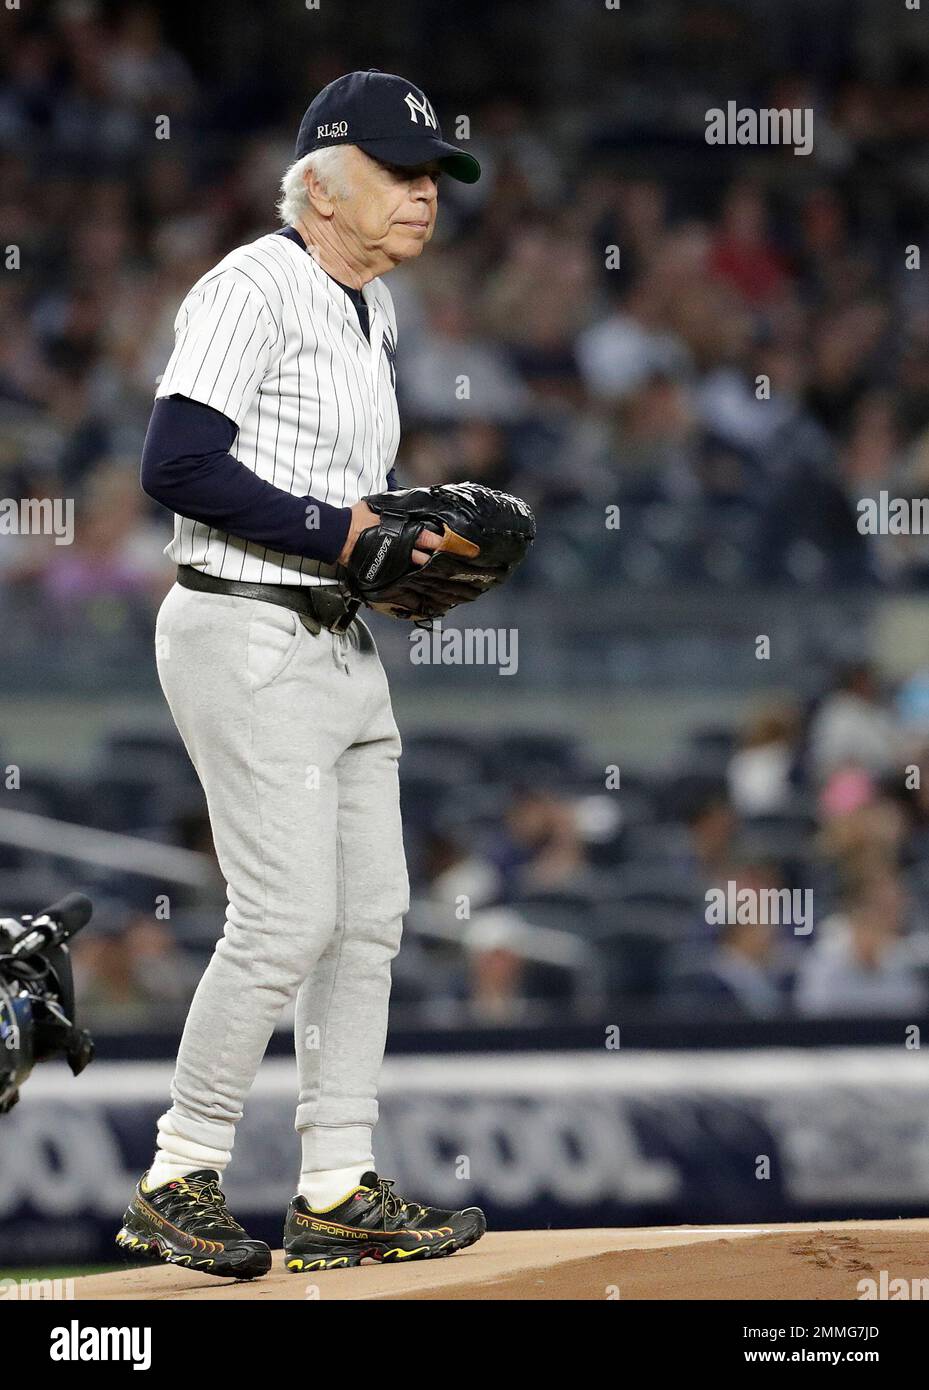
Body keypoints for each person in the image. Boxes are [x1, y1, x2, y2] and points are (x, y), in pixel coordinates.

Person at [117, 72, 486, 1278]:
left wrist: (392, 549)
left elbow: (340, 503)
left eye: (433, 174)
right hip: (238, 624)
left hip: (334, 635)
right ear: (321, 182)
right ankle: (181, 1172)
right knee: (286, 918)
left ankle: (333, 1186)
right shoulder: (252, 284)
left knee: (368, 921)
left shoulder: (373, 310)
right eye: (399, 170)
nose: (424, 193)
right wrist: (343, 535)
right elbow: (175, 462)